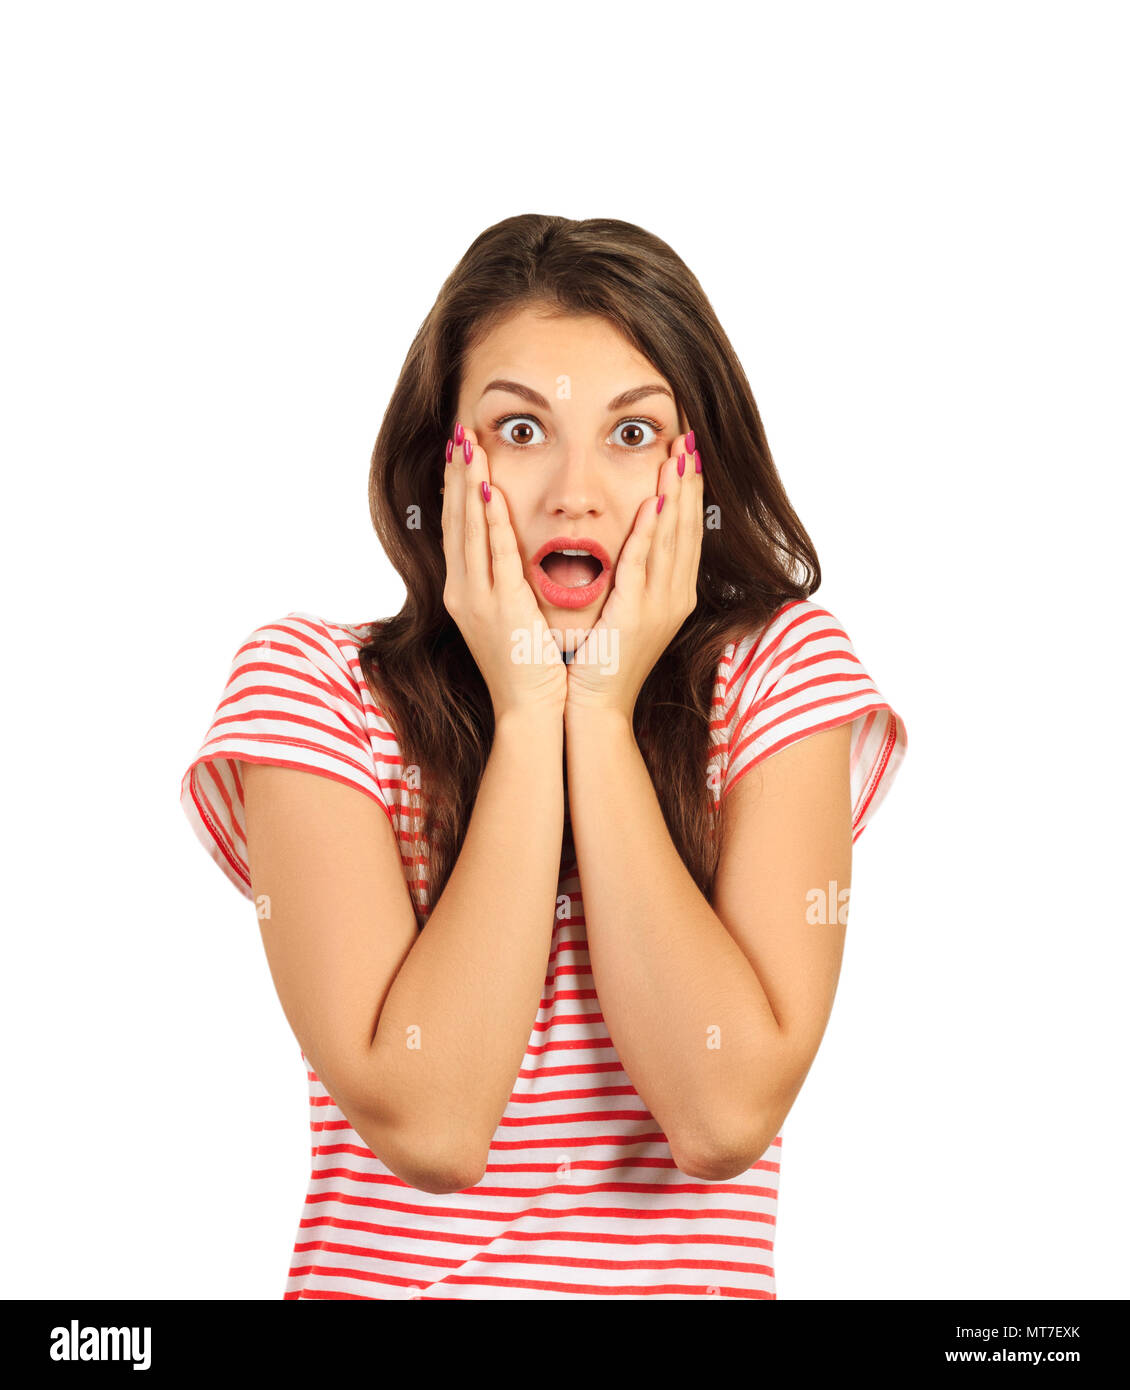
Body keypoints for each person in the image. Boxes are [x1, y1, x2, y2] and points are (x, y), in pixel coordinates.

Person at [179, 213, 908, 1300]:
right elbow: (430, 1125)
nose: (574, 493)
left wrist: (600, 716)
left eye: (630, 434)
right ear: (444, 458)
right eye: (519, 432)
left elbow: (720, 1116)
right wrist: (528, 714)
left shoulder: (779, 674)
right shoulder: (309, 686)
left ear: (694, 466)